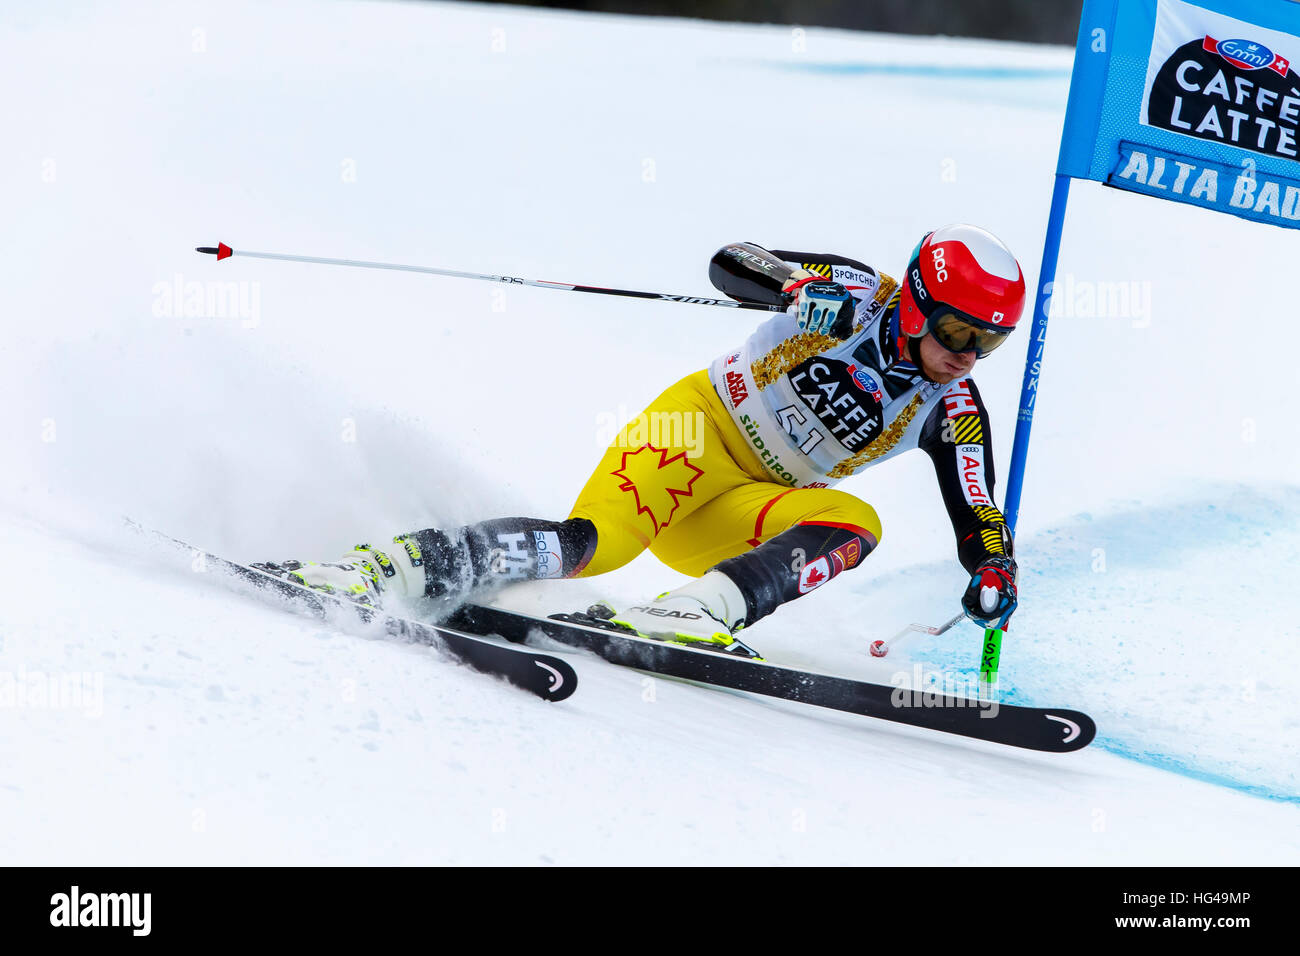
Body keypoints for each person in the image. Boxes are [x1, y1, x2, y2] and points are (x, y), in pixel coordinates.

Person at [258, 224, 1024, 651]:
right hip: (696, 429)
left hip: (750, 504)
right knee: (598, 544)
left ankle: (700, 610)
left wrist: (995, 569)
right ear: (920, 305)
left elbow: (978, 510)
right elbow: (736, 259)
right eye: (959, 328)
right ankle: (388, 566)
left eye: (989, 343)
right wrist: (795, 288)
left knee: (861, 524)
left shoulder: (952, 407)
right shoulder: (858, 293)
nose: (966, 353)